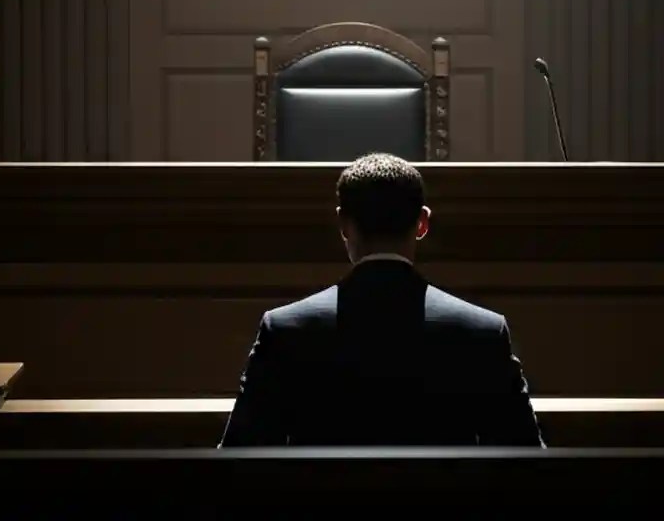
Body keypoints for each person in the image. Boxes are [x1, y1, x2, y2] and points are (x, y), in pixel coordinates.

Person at [219, 152, 545, 447]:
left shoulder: (285, 330)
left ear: (344, 225)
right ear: (422, 223)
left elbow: (241, 457)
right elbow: (524, 459)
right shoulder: (483, 332)